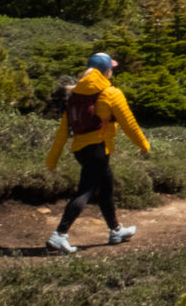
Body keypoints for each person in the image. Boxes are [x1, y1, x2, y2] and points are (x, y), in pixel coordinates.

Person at [45, 52, 150, 253]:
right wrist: (144, 145)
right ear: (106, 72)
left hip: (81, 150)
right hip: (99, 150)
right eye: (111, 68)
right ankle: (59, 235)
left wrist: (52, 160)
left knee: (106, 188)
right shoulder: (111, 93)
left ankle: (116, 230)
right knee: (85, 191)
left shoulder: (74, 96)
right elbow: (129, 124)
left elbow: (62, 132)